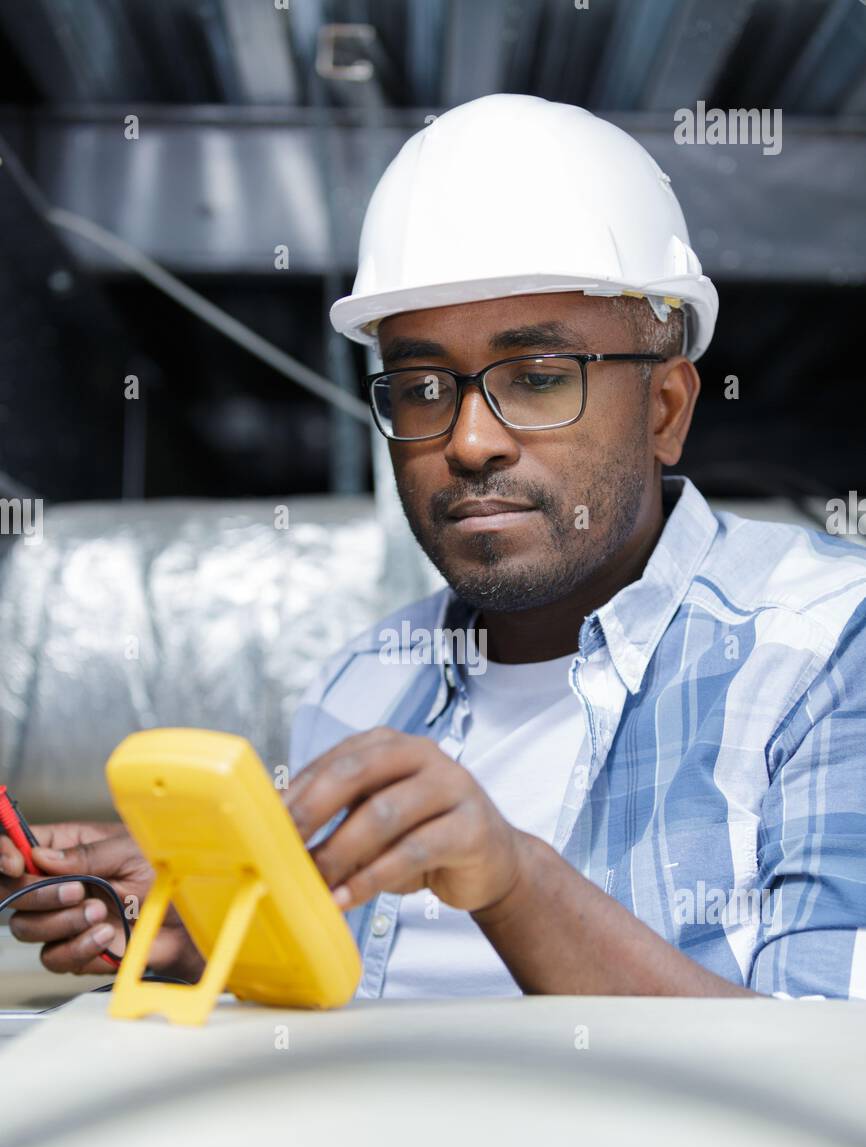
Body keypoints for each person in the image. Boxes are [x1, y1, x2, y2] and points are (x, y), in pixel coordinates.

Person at [3, 95, 866, 1000]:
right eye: (421, 387)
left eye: (536, 379)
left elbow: (830, 1080)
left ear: (666, 409)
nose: (469, 441)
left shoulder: (822, 648)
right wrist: (213, 943)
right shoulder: (363, 685)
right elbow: (345, 1024)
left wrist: (515, 880)